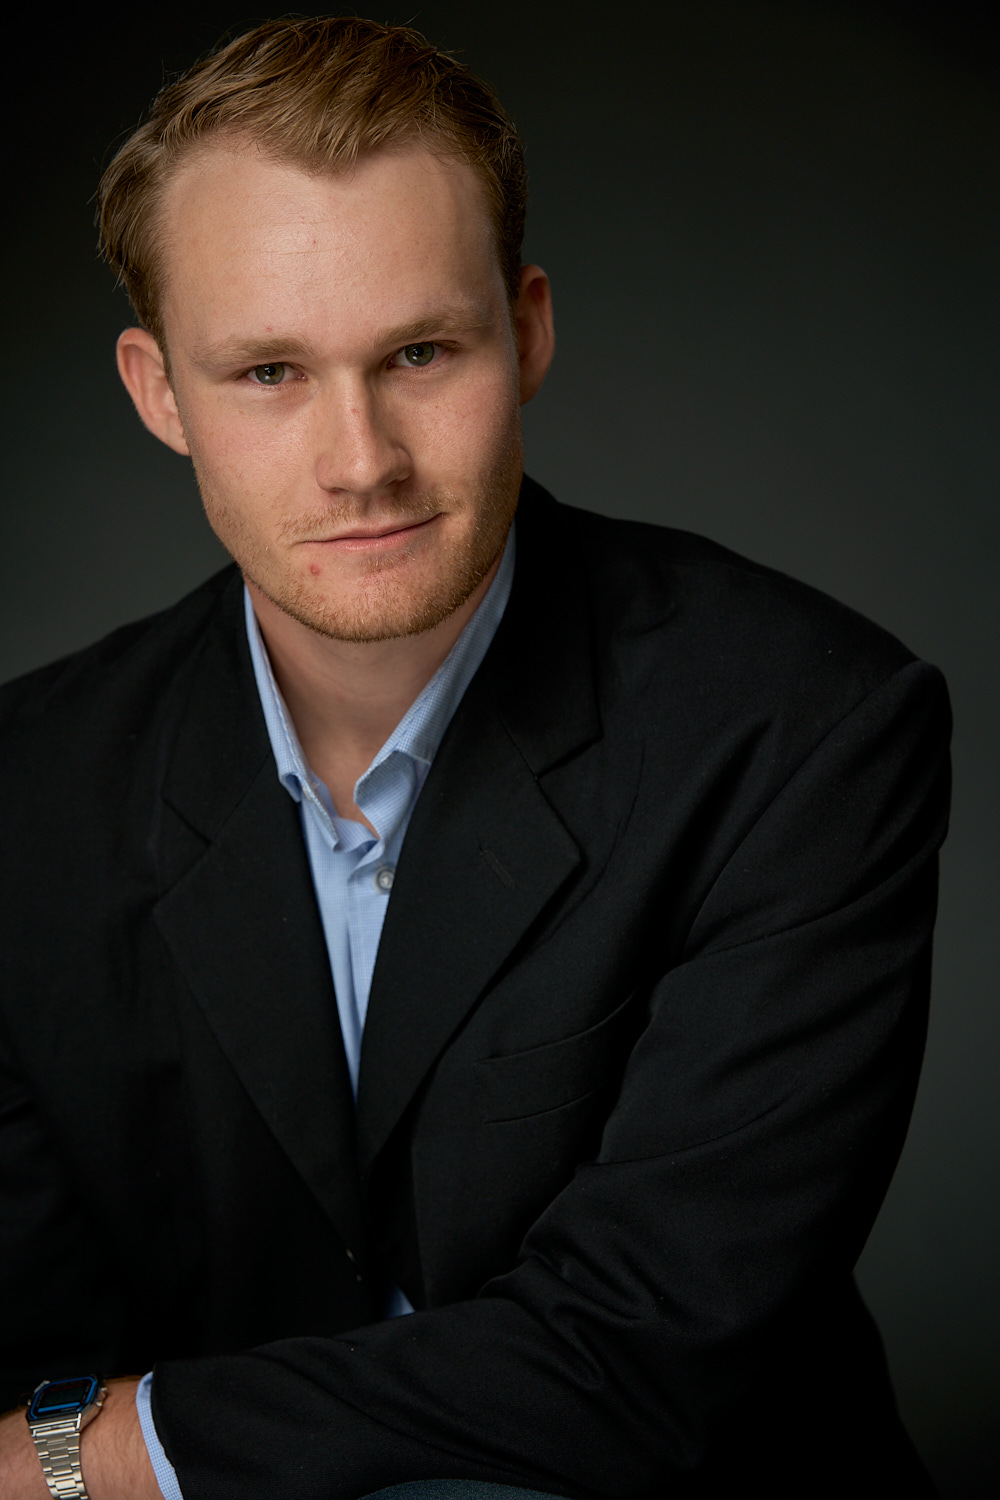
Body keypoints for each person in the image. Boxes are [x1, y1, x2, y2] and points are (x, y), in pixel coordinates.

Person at [0, 15, 950, 1500]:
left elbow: (646, 1352)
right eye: (266, 374)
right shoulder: (23, 795)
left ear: (532, 330)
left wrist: (120, 1446)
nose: (360, 456)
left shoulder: (806, 730)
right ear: (157, 391)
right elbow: (29, 1334)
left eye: (421, 351)